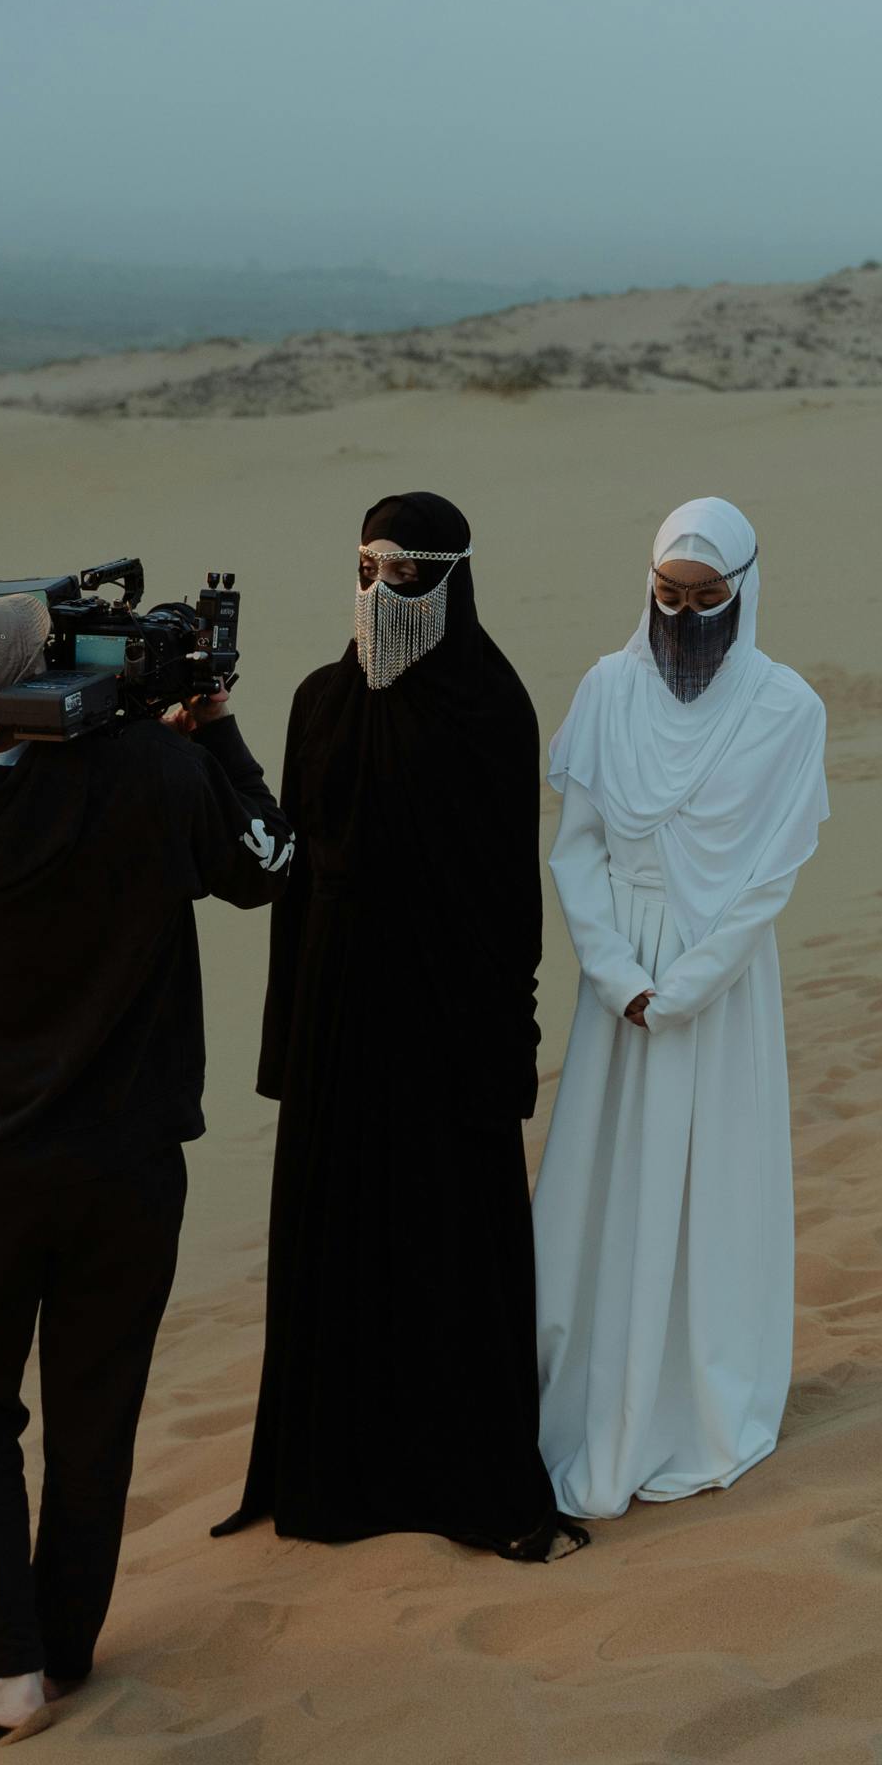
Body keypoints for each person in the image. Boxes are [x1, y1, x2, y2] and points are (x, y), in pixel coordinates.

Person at [0, 586, 296, 1744]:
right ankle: (61, 1649)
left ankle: (8, 1668)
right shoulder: (152, 780)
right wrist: (209, 729)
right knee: (93, 1413)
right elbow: (268, 862)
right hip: (123, 1166)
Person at [210, 493, 586, 1563]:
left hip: (444, 1028)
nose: (383, 592)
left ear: (452, 581)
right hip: (337, 1020)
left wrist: (503, 1051)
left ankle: (457, 1473)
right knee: (337, 1237)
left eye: (408, 574)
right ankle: (332, 1473)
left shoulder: (490, 706)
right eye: (367, 566)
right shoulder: (318, 700)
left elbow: (509, 899)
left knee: (443, 1246)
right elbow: (287, 872)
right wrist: (287, 1042)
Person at [531, 497, 829, 1521]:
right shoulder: (608, 689)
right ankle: (594, 1388)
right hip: (619, 984)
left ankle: (698, 1394)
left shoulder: (787, 707)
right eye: (667, 596)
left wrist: (691, 984)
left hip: (721, 986)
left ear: (743, 591)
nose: (686, 617)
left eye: (708, 599)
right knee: (604, 1185)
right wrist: (619, 975)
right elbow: (574, 848)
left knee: (710, 1183)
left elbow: (770, 877)